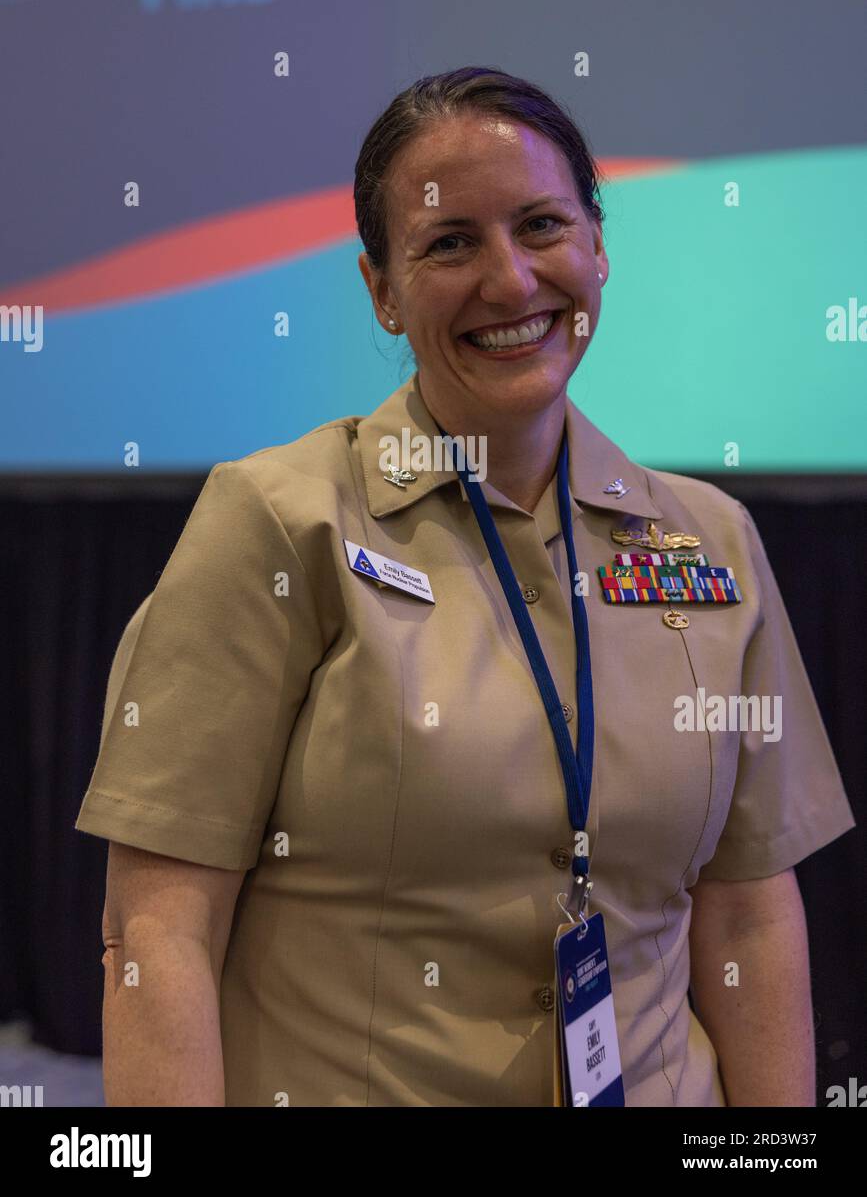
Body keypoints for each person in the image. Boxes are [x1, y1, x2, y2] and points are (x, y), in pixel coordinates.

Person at [76, 66, 855, 1107]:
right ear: (383, 290)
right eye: (450, 243)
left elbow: (750, 912)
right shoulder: (277, 521)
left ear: (598, 246)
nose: (511, 280)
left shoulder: (712, 540)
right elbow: (159, 930)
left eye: (541, 225)